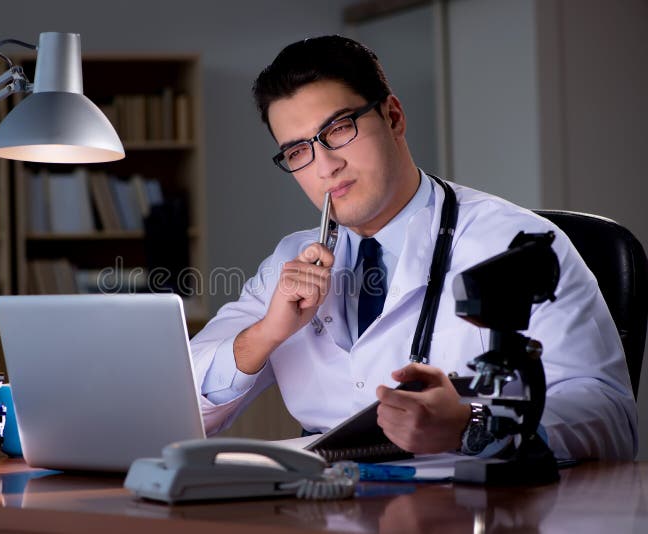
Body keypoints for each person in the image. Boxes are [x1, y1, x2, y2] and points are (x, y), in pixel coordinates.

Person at [189, 35, 637, 460]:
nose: (325, 166)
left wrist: (470, 426)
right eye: (297, 152)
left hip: (469, 497)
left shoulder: (514, 244)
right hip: (326, 497)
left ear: (393, 117)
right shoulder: (289, 262)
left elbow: (610, 417)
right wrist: (268, 333)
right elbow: (183, 404)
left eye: (339, 129)